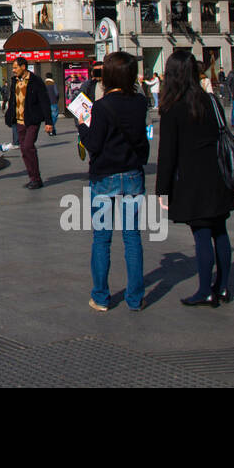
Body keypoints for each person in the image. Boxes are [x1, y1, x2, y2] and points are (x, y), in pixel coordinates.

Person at [156, 51, 234, 307]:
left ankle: (205, 290)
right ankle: (222, 286)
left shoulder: (173, 107)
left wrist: (162, 189)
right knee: (220, 231)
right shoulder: (210, 101)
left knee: (202, 234)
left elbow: (167, 152)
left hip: (191, 178)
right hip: (217, 173)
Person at [76, 51, 149, 311]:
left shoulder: (103, 106)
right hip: (132, 174)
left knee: (102, 239)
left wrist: (82, 125)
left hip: (105, 176)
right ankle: (134, 297)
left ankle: (101, 297)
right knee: (132, 237)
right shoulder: (141, 103)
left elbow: (93, 144)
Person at [3, 56, 55, 189]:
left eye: (15, 67)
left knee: (28, 147)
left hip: (32, 120)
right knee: (24, 150)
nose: (13, 70)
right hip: (19, 121)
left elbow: (44, 101)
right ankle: (33, 177)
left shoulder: (35, 81)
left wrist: (49, 122)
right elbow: (12, 100)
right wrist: (9, 116)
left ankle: (36, 178)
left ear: (23, 67)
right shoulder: (15, 81)